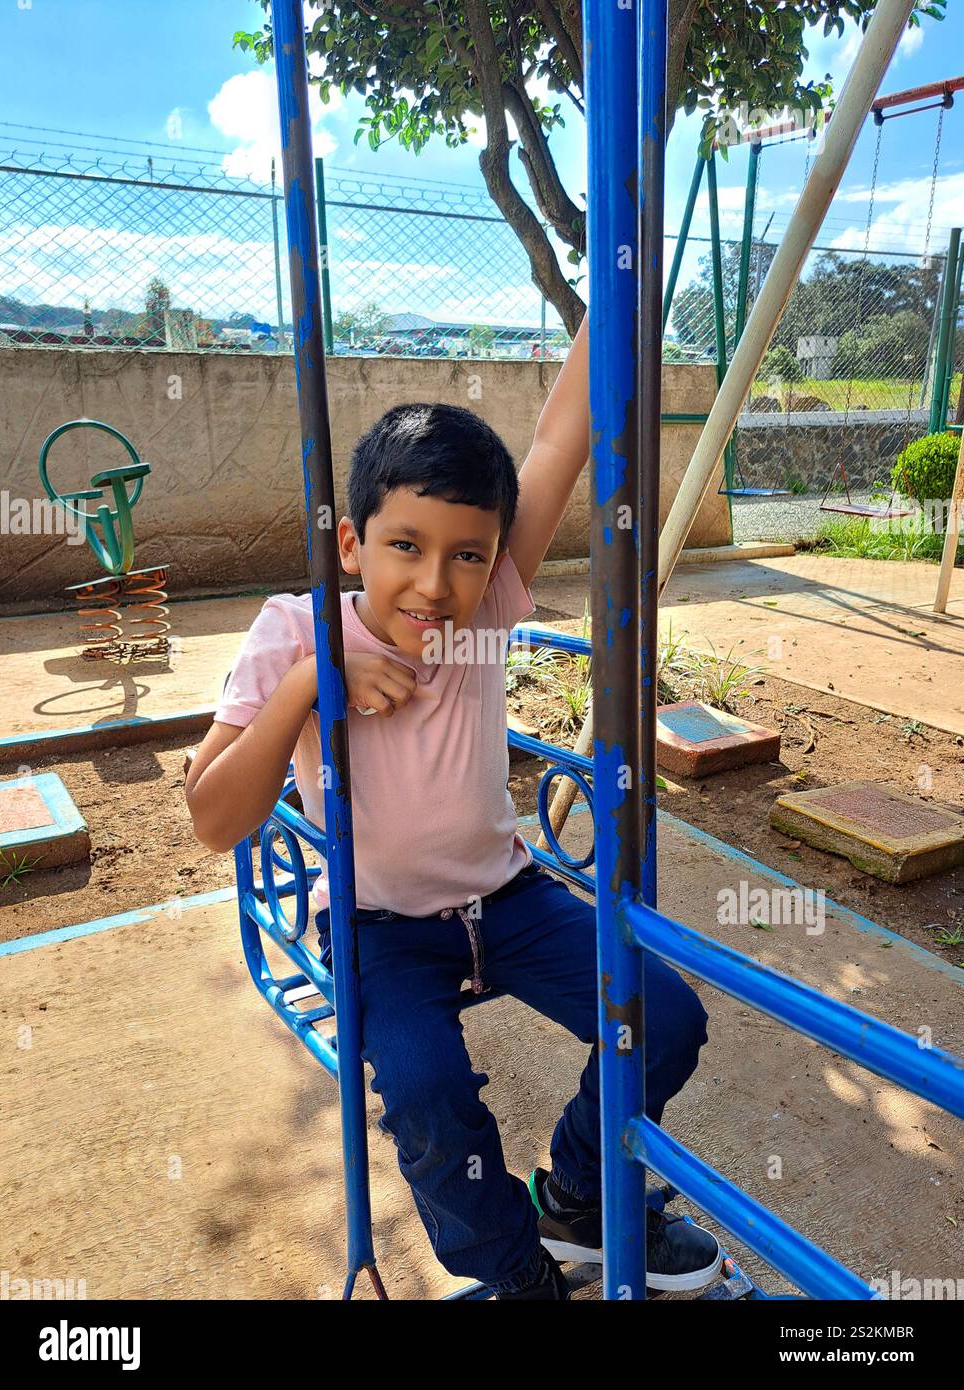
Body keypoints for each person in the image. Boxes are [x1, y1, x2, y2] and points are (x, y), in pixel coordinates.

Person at [186, 313, 721, 1300]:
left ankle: (575, 1195)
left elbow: (562, 434)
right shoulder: (290, 632)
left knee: (668, 1019)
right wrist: (311, 682)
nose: (436, 585)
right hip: (383, 926)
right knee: (429, 1095)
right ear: (350, 543)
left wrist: (620, 289)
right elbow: (214, 816)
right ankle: (518, 1268)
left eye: (468, 555)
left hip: (506, 897)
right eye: (404, 546)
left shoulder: (491, 603)